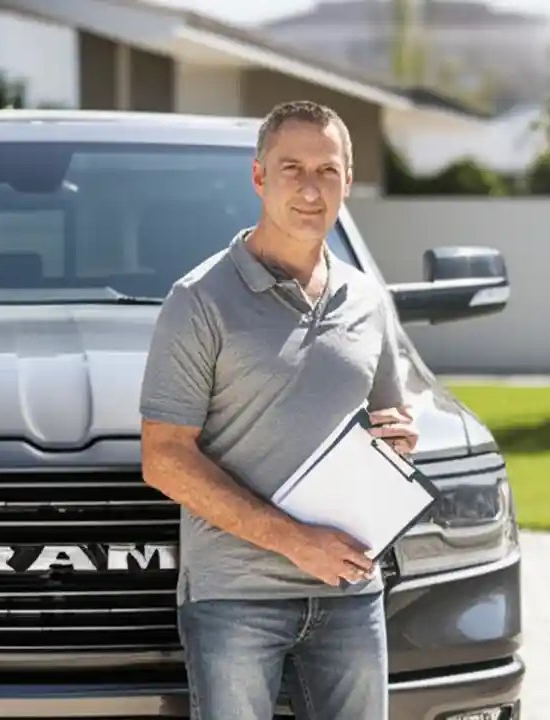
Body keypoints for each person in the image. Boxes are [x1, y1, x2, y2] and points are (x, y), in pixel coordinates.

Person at [138, 100, 419, 720]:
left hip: (348, 587)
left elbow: (386, 422)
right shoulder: (200, 300)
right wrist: (297, 543)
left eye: (328, 170)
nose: (311, 188)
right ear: (259, 177)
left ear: (348, 181)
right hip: (235, 598)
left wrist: (397, 442)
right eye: (292, 168)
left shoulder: (367, 300)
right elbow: (163, 459)